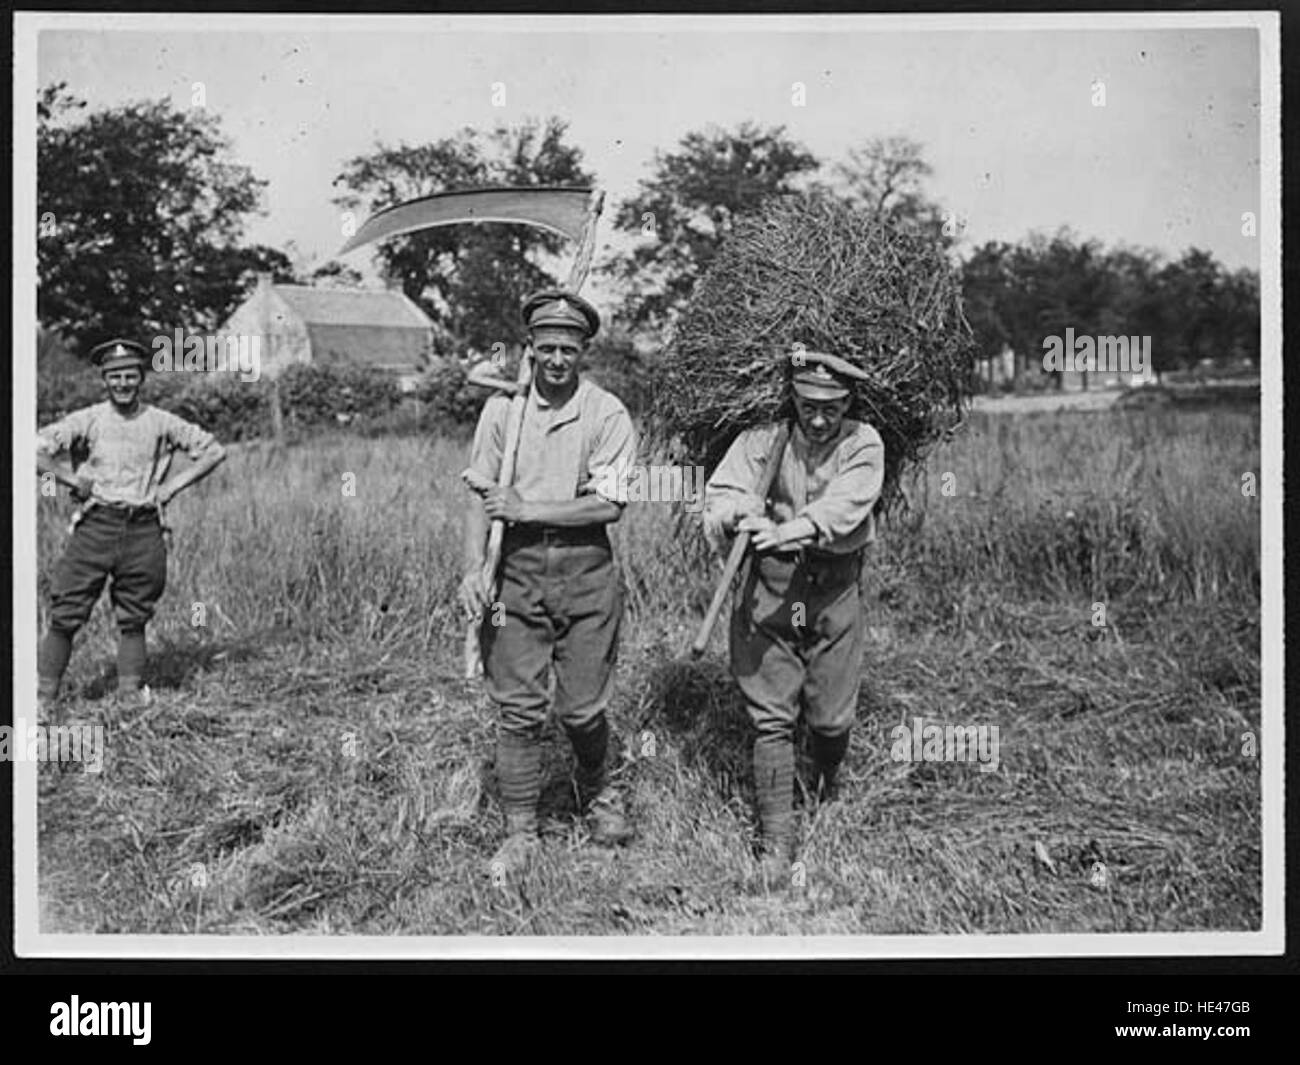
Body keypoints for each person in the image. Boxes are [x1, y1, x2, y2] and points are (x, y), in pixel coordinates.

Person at [459, 289, 637, 879]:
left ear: (584, 351)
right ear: (529, 350)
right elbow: (481, 500)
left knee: (582, 710)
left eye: (569, 349)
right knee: (519, 711)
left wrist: (529, 506)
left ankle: (597, 787)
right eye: (546, 349)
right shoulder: (502, 413)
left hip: (586, 575)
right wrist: (469, 570)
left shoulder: (606, 413)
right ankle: (521, 830)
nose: (557, 360)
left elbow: (608, 506)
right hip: (514, 574)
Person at [703, 349, 885, 888]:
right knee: (772, 718)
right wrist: (738, 514)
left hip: (831, 589)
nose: (820, 419)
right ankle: (775, 844)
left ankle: (826, 778)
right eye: (808, 406)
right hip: (771, 588)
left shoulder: (863, 443)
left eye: (831, 407)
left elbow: (845, 507)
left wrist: (789, 529)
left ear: (847, 402)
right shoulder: (763, 440)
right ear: (794, 399)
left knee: (830, 718)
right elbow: (721, 495)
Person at [36, 339, 227, 714]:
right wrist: (70, 480)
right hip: (96, 524)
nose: (122, 383)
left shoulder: (160, 420)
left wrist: (171, 487)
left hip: (144, 528)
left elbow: (214, 451)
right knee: (66, 611)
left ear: (141, 378)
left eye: (130, 375)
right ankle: (43, 698)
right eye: (114, 376)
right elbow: (32, 449)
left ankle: (128, 697)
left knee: (134, 615)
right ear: (104, 380)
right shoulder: (87, 418)